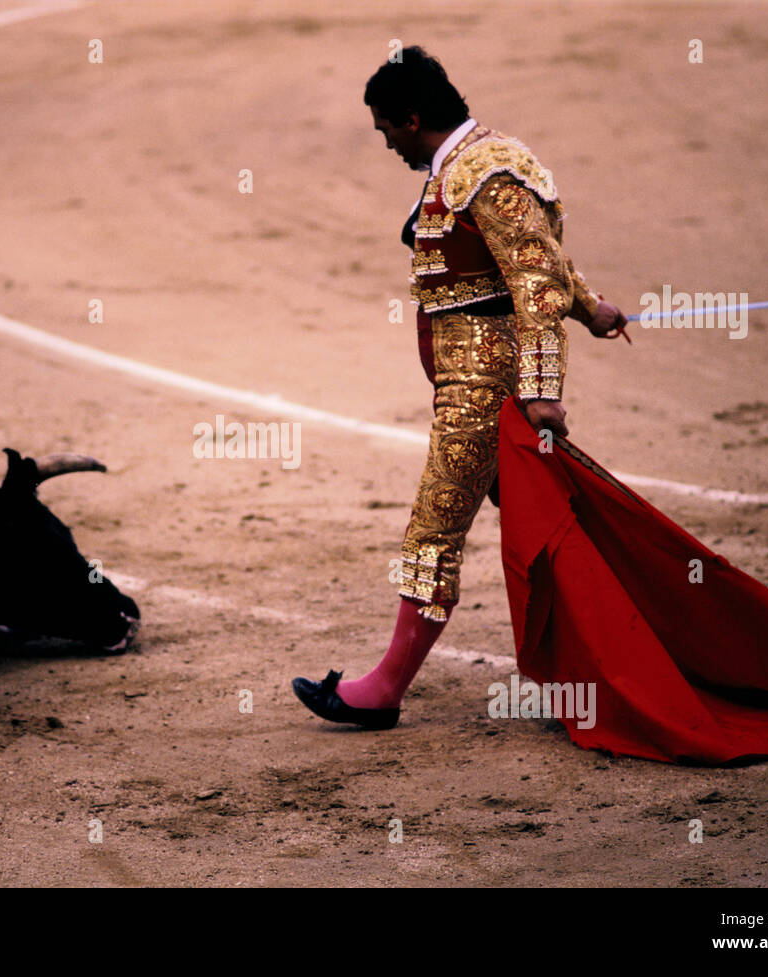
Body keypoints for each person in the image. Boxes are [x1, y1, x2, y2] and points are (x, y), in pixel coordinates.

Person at [293, 46, 629, 730]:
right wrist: (591, 308)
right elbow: (540, 262)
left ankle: (383, 690)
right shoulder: (467, 163)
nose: (384, 140)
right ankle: (614, 658)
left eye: (386, 127)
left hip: (484, 380)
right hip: (468, 373)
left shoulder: (486, 170)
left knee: (436, 524)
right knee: (550, 523)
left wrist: (540, 389)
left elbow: (533, 278)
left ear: (413, 117)